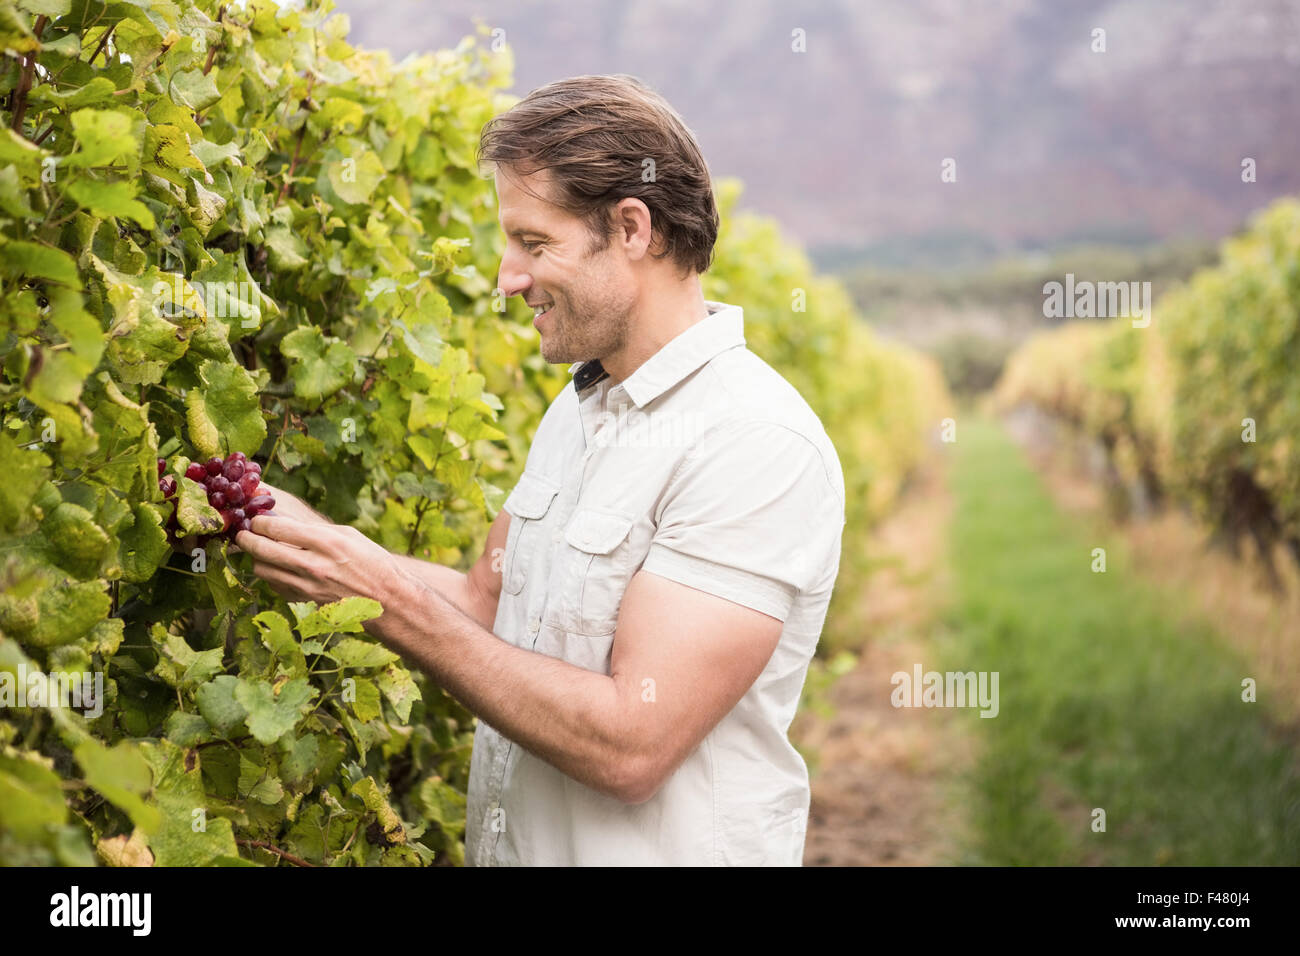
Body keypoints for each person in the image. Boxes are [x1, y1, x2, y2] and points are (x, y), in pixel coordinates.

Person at [237, 74, 846, 866]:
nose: (507, 278)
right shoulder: (582, 408)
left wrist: (382, 603)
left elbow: (633, 743)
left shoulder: (754, 443)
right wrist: (309, 540)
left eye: (534, 242)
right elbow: (484, 607)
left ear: (632, 227)